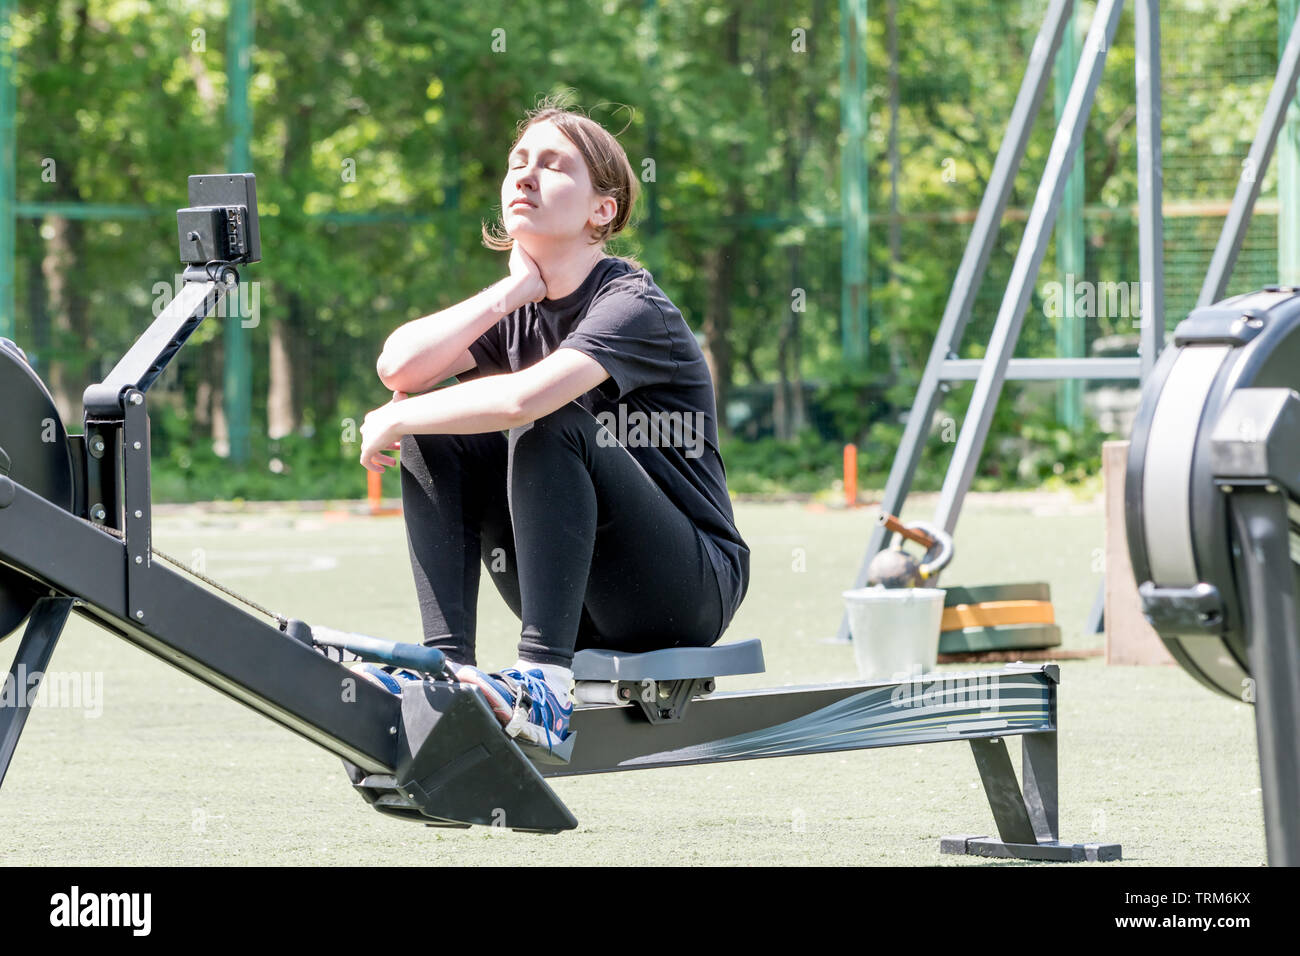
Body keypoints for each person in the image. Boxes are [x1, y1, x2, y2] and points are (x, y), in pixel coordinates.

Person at [358, 99, 749, 752]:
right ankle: (447, 671)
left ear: (604, 209)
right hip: (581, 601)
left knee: (547, 422)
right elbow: (397, 364)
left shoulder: (631, 305)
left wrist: (399, 412)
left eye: (552, 164)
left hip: (683, 589)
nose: (525, 175)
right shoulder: (515, 311)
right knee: (434, 432)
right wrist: (510, 293)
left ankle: (542, 685)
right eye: (518, 163)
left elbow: (522, 402)